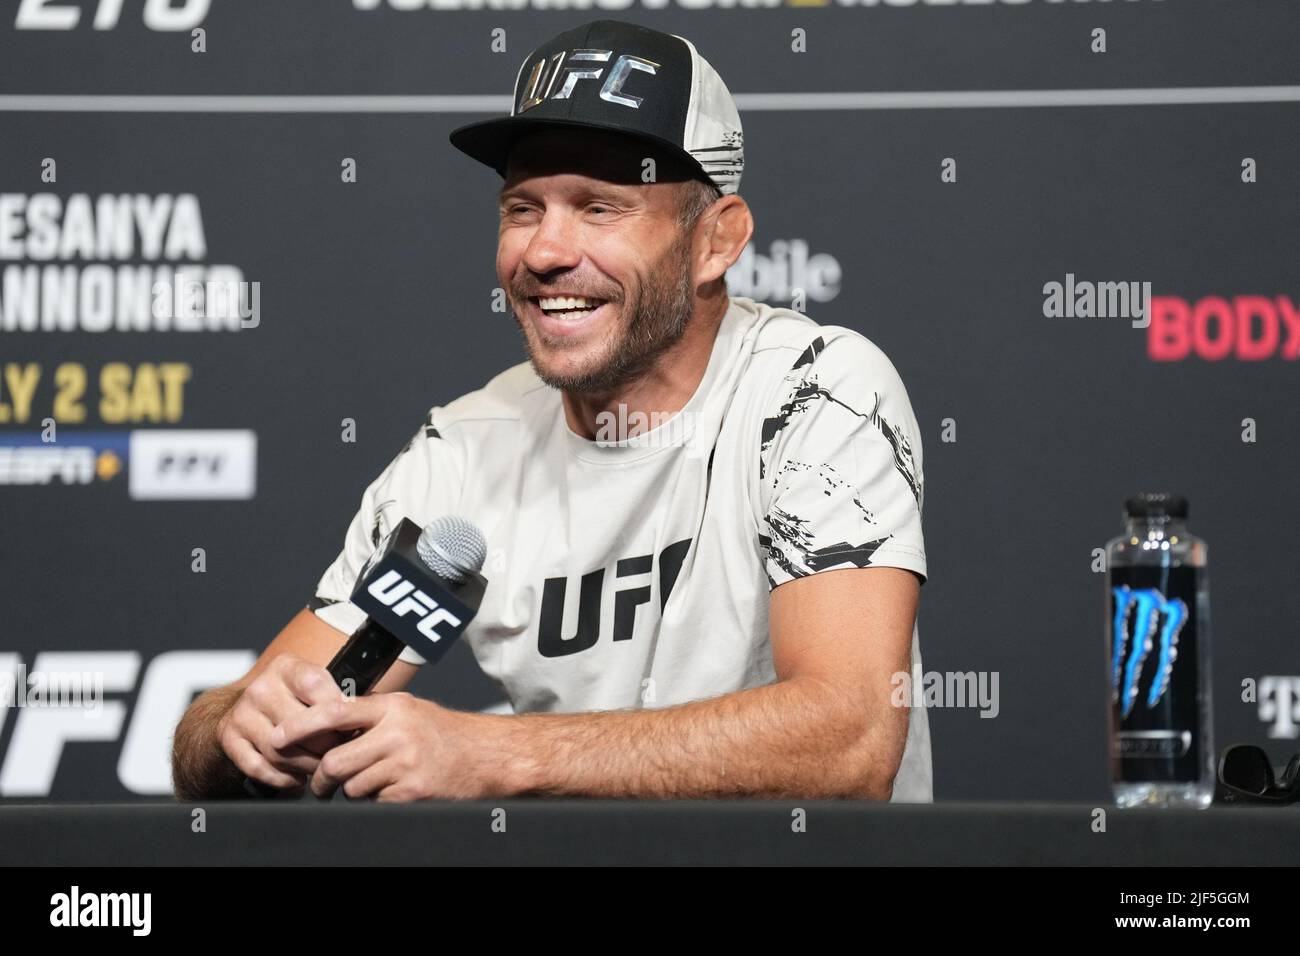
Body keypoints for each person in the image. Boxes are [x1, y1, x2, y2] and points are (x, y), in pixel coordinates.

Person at [172, 19, 933, 802]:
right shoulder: (468, 449)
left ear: (716, 241)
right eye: (523, 208)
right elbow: (235, 739)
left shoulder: (814, 390)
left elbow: (852, 736)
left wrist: (497, 755)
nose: (543, 253)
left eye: (599, 208)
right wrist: (238, 726)